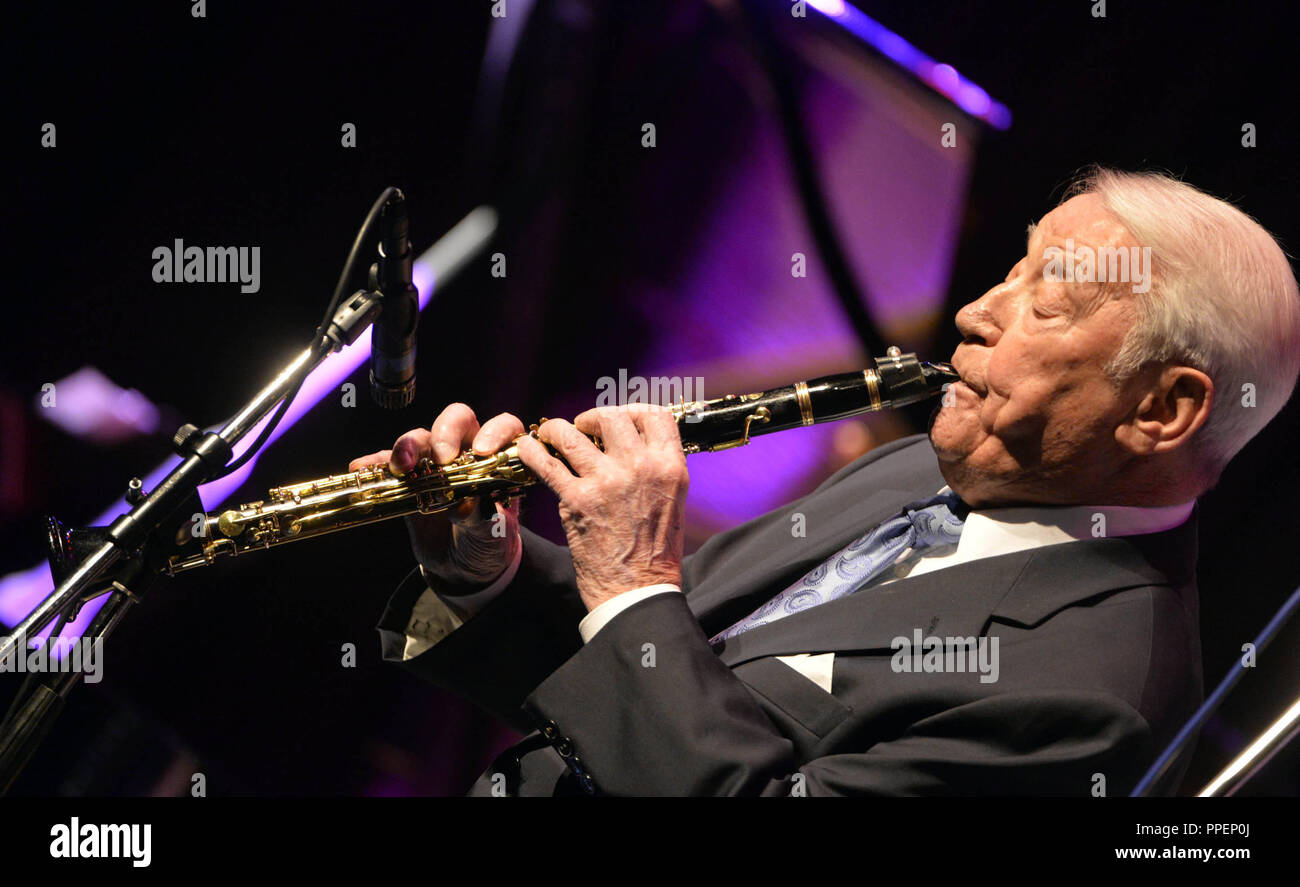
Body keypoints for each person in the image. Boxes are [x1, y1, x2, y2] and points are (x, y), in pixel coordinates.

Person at [352, 168, 1300, 795]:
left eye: (1045, 302)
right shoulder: (936, 461)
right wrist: (492, 569)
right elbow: (652, 668)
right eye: (1012, 270)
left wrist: (636, 582)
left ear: (1163, 410)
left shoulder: (1088, 704)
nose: (975, 311)